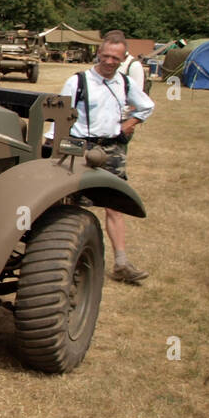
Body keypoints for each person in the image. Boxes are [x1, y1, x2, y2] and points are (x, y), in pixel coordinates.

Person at [59, 33, 155, 283]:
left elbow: (146, 106)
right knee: (72, 206)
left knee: (115, 205)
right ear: (98, 54)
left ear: (123, 59)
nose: (110, 62)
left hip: (112, 150)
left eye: (115, 58)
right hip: (82, 148)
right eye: (106, 56)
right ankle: (66, 264)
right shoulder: (78, 81)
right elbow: (60, 114)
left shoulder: (124, 83)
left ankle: (121, 264)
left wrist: (129, 124)